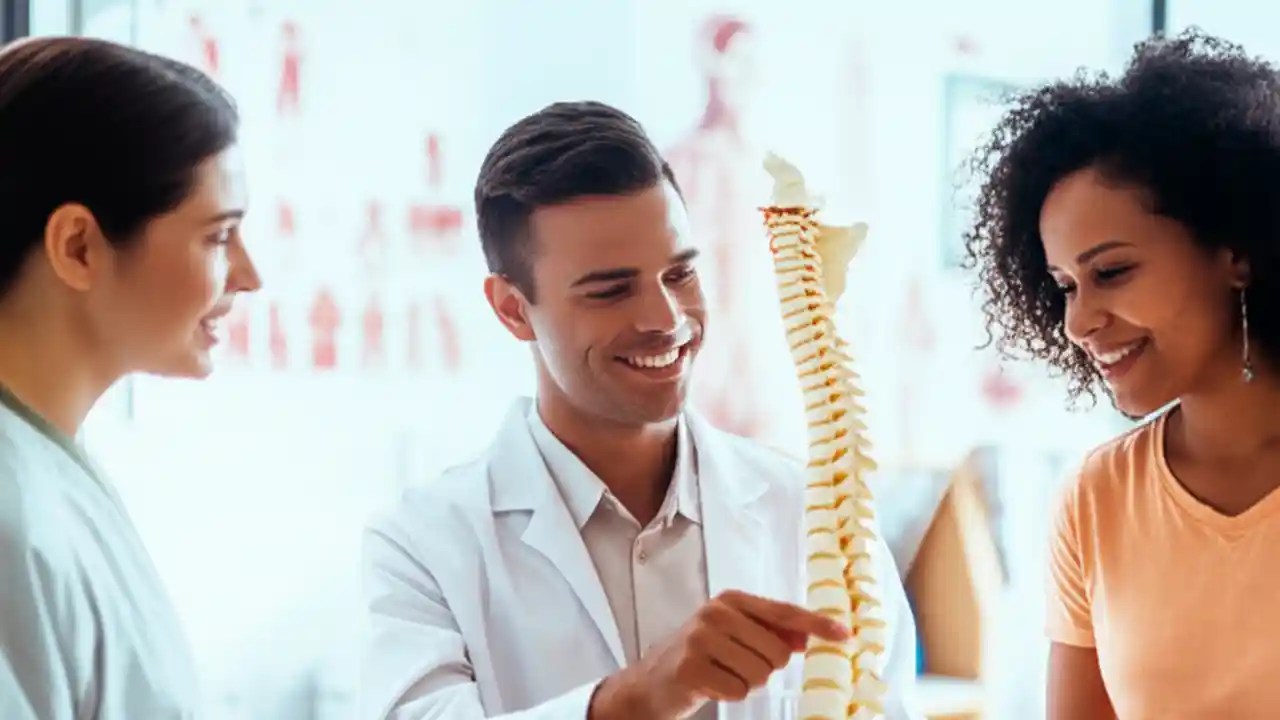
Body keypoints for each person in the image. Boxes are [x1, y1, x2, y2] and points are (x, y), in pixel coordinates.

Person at [361, 101, 922, 719]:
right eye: (611, 291)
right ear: (513, 309)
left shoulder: (816, 519)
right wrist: (634, 701)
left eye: (680, 275)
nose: (667, 320)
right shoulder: (422, 546)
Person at [963, 29, 1280, 720]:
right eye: (1065, 286)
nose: (1078, 322)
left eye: (1111, 272)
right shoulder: (1097, 499)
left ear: (1237, 251)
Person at [0, 37, 261, 719]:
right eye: (218, 236)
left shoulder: (44, 463)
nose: (248, 275)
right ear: (78, 247)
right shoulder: (11, 505)